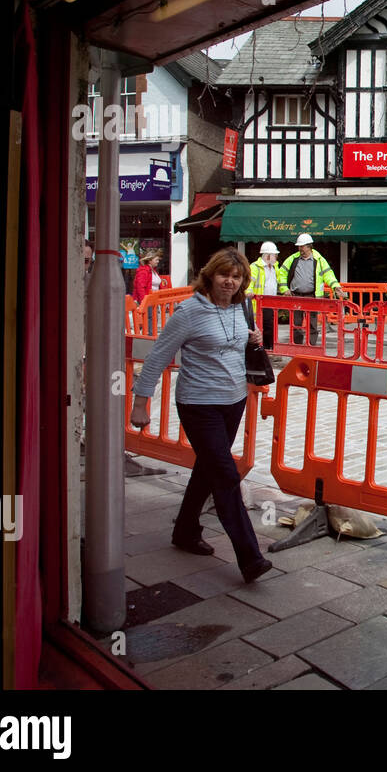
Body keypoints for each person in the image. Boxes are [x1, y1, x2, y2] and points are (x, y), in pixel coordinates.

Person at [128, 248, 273, 584]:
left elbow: (239, 346)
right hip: (198, 404)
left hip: (233, 400)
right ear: (210, 275)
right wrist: (141, 402)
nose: (230, 282)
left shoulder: (241, 306)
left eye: (237, 277)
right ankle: (250, 558)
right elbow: (158, 356)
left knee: (209, 468)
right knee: (224, 474)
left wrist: (253, 339)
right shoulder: (190, 311)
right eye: (225, 275)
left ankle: (185, 530)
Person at [279, 233, 343, 345]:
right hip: (296, 295)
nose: (299, 249)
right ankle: (297, 345)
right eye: (299, 246)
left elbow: (328, 274)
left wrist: (335, 286)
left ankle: (311, 345)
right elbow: (282, 273)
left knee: (312, 324)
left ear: (309, 246)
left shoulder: (319, 260)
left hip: (312, 296)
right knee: (296, 323)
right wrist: (284, 288)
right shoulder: (293, 259)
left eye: (302, 246)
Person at [248, 241, 287, 350]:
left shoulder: (274, 268)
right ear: (268, 255)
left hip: (271, 303)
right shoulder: (255, 267)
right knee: (261, 327)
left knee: (270, 326)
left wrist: (285, 290)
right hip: (259, 303)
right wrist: (249, 292)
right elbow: (249, 282)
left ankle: (269, 347)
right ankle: (264, 348)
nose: (276, 257)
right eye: (275, 255)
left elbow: (280, 281)